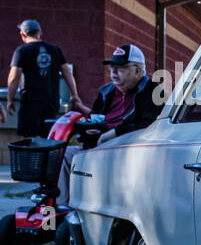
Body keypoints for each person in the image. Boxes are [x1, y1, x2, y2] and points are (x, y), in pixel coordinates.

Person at [58, 44, 163, 199]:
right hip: (100, 147)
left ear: (138, 70)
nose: (113, 73)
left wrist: (113, 133)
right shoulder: (106, 91)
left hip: (129, 150)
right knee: (63, 154)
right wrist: (90, 131)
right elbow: (94, 118)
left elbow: (151, 124)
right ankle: (64, 209)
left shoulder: (153, 90)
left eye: (120, 68)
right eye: (112, 67)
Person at [4, 19, 83, 135]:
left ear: (23, 34)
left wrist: (10, 99)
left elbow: (14, 77)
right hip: (51, 102)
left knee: (29, 141)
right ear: (39, 33)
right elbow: (67, 73)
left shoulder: (21, 50)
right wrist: (75, 95)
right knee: (46, 139)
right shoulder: (55, 50)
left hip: (30, 103)